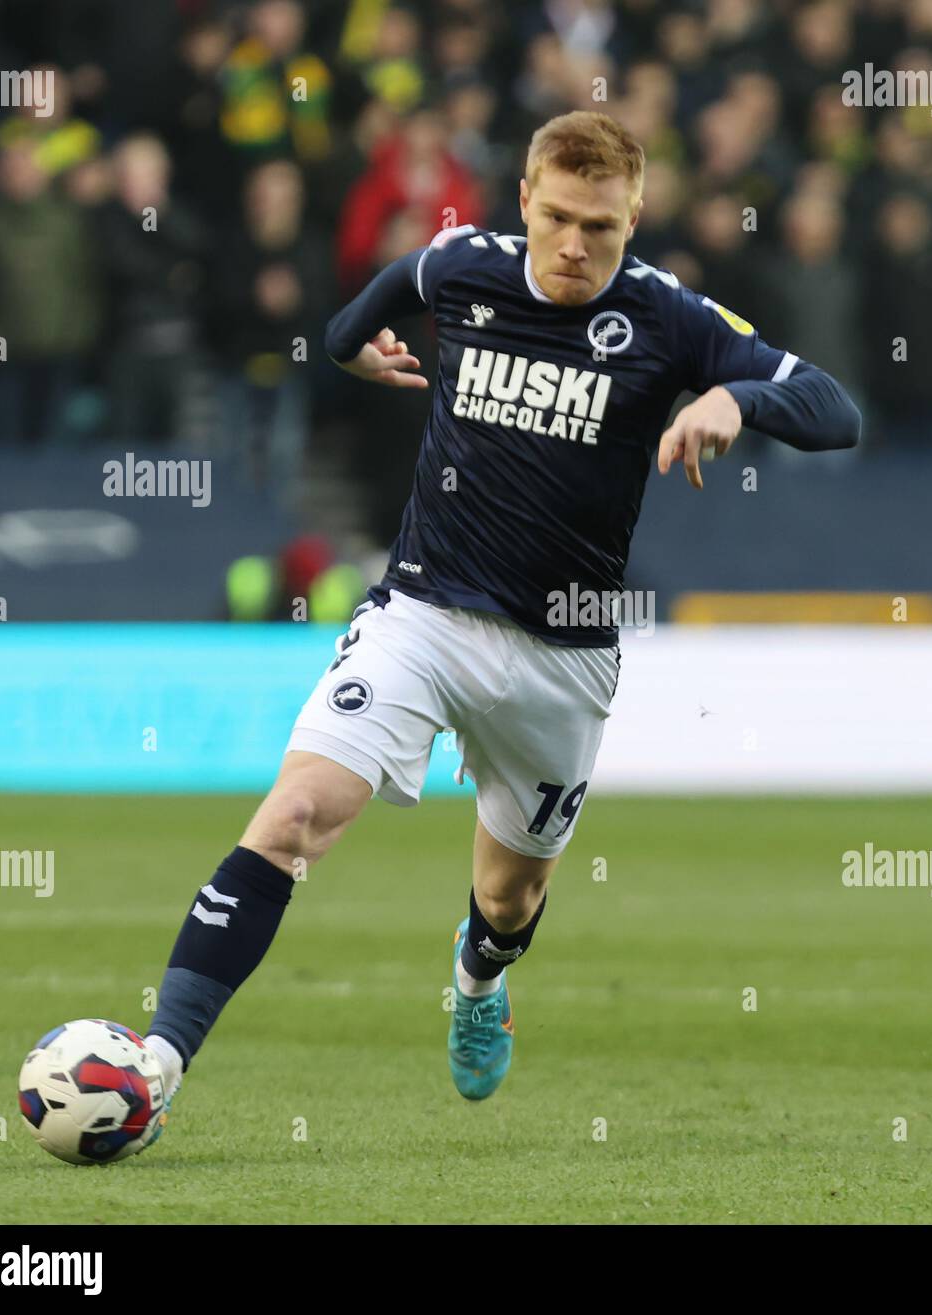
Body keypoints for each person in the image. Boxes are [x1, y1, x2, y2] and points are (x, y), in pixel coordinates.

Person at [138, 111, 860, 1140]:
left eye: (600, 228)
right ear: (522, 200)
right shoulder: (460, 267)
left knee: (509, 900)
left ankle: (477, 982)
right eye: (557, 218)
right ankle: (158, 1062)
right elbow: (353, 320)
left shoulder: (668, 317)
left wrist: (737, 402)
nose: (574, 246)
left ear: (634, 217)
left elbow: (836, 408)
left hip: (560, 654)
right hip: (422, 612)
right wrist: (355, 354)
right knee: (297, 813)